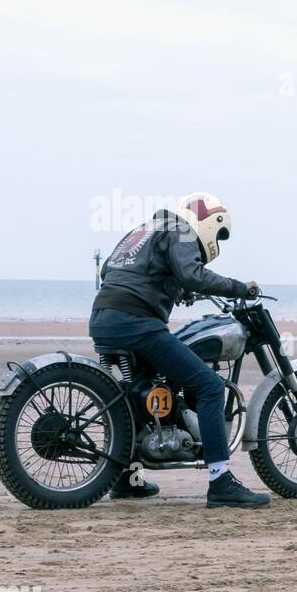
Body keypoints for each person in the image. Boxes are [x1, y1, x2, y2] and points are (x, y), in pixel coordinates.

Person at [89, 192, 270, 508]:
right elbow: (192, 274)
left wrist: (175, 288)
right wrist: (239, 287)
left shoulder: (143, 230)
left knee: (139, 394)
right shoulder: (181, 228)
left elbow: (108, 271)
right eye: (220, 234)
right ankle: (220, 481)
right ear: (208, 219)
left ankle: (124, 478)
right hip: (137, 323)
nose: (218, 241)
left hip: (104, 318)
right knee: (210, 386)